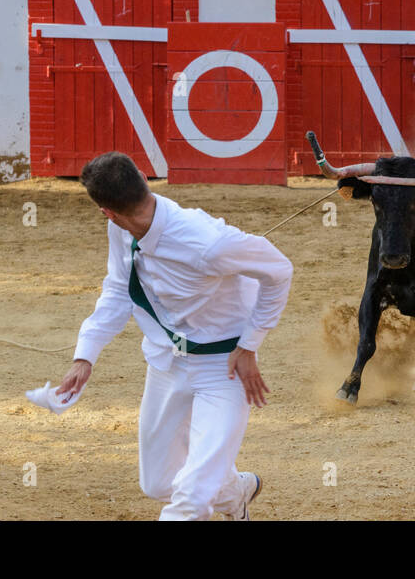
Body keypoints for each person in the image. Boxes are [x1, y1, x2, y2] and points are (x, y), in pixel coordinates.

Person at [54, 151, 292, 522]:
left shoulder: (209, 242)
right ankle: (236, 492)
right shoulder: (119, 230)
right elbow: (119, 289)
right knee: (159, 483)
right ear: (144, 182)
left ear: (106, 209)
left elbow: (278, 270)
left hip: (223, 368)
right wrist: (86, 355)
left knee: (192, 498)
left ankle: (214, 488)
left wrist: (249, 344)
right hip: (165, 362)